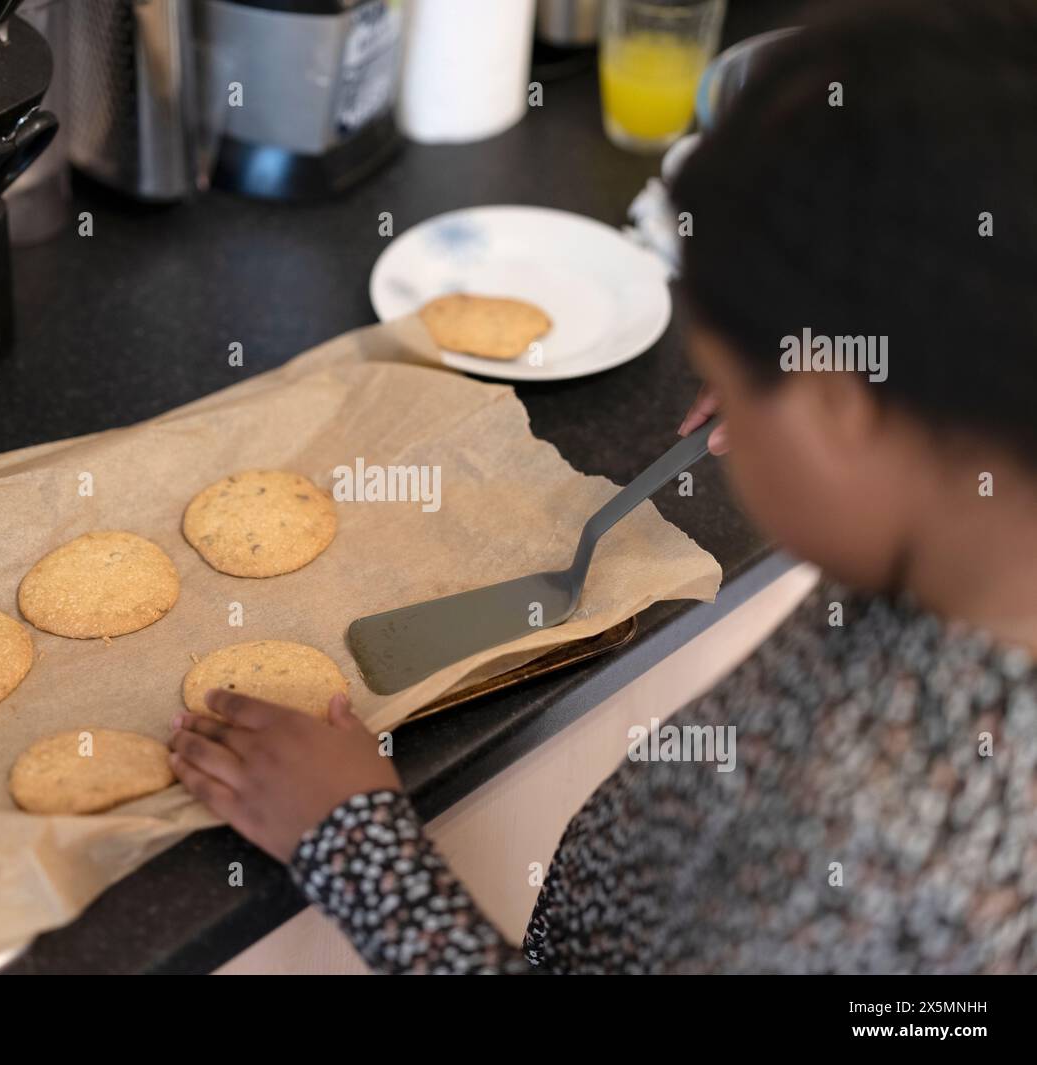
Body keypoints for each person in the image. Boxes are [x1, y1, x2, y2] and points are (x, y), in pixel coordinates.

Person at [169, 0, 1037, 973]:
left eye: (737, 387)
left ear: (841, 410)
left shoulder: (891, 870)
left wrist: (354, 846)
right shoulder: (985, 524)